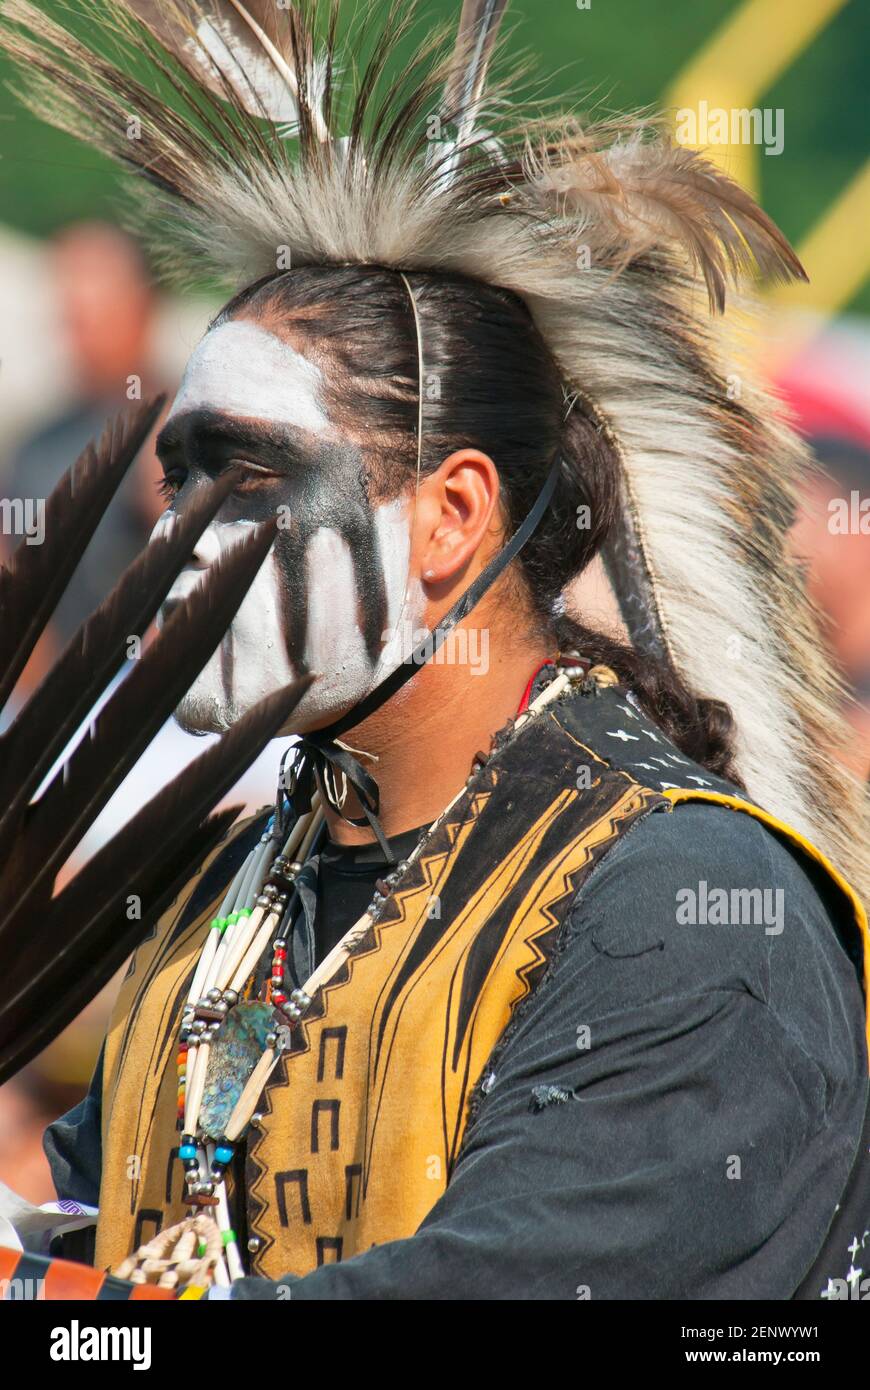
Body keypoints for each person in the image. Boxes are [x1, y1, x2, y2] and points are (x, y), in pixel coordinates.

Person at [1, 0, 867, 1300]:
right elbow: (93, 1217)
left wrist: (75, 1316)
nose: (173, 541)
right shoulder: (237, 889)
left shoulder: (683, 903)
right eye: (171, 481)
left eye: (241, 476)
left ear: (451, 516)